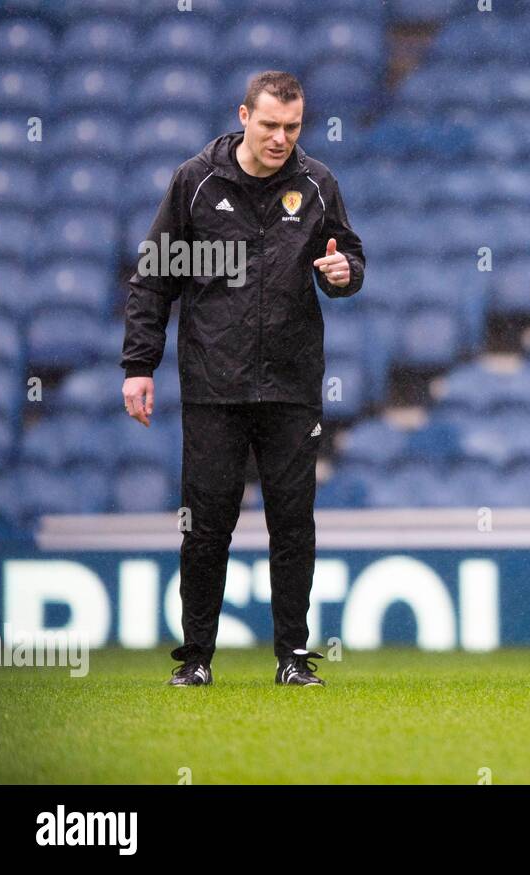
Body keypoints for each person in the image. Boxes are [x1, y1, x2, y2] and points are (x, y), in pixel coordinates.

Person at [121, 71, 365, 687]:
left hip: (290, 384)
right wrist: (138, 366)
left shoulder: (316, 184)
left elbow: (351, 258)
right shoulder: (195, 183)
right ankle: (196, 658)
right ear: (243, 116)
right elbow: (154, 277)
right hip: (214, 385)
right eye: (270, 125)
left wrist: (343, 272)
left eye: (293, 127)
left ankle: (292, 658)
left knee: (293, 523)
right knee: (206, 525)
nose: (282, 138)